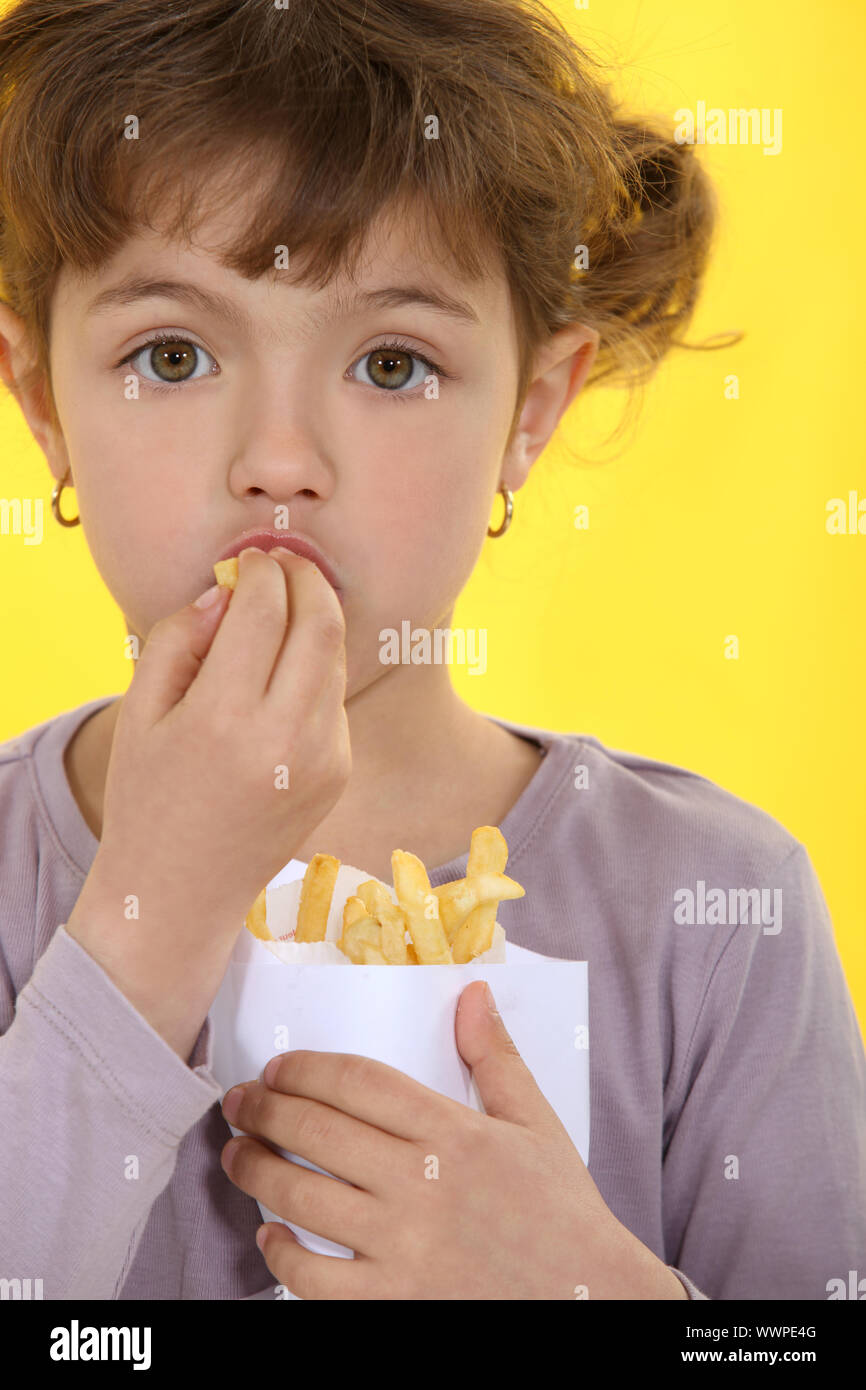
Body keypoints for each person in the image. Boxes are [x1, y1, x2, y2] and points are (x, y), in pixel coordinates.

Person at [0, 0, 863, 1301]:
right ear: (46, 405)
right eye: (171, 354)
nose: (279, 460)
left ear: (530, 414)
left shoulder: (717, 913)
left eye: (392, 364)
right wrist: (144, 921)